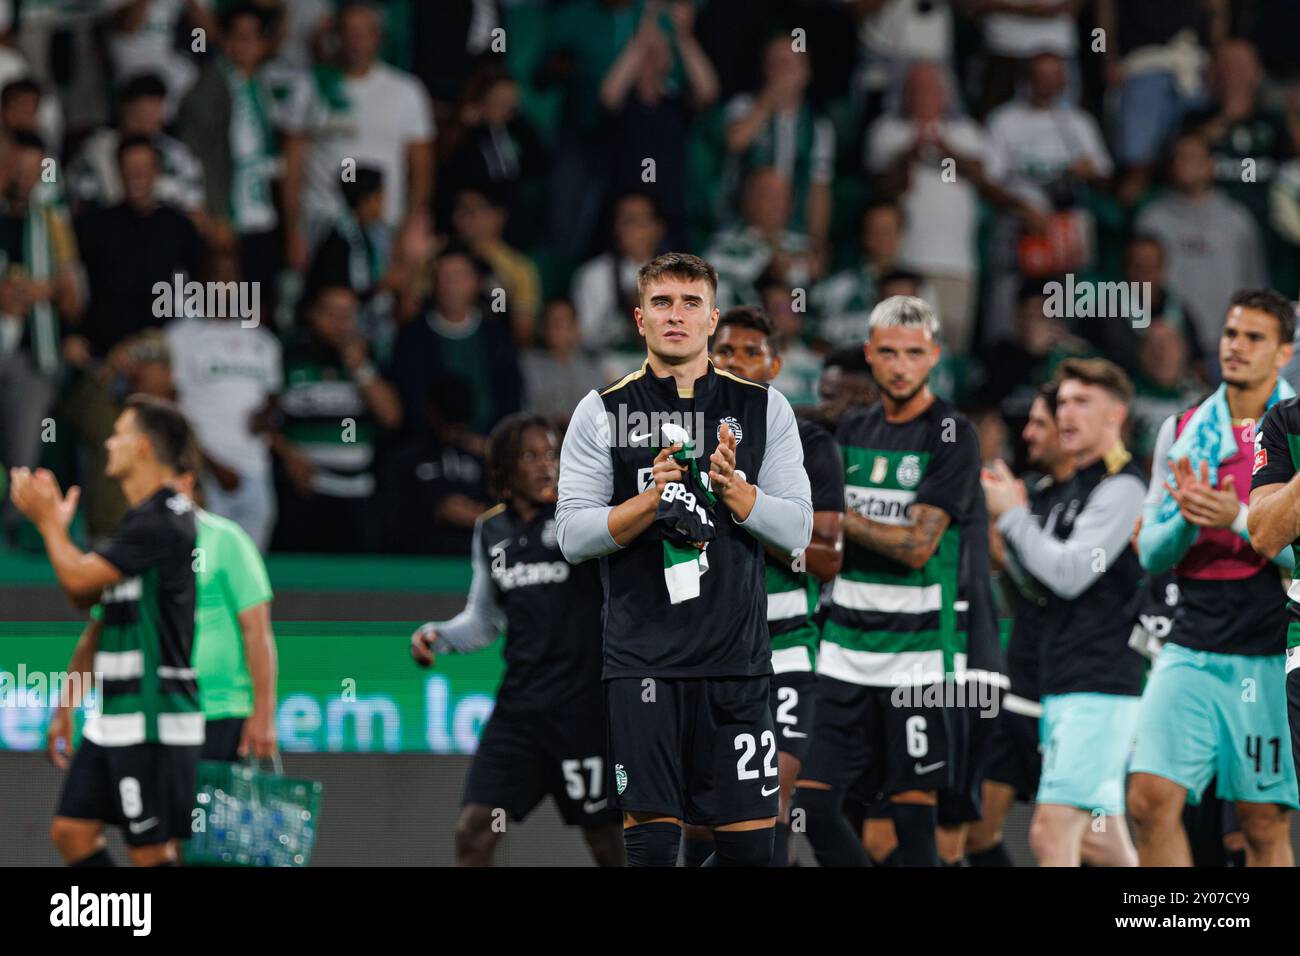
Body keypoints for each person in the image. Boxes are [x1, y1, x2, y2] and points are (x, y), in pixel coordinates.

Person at [556, 251, 813, 866]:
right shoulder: (602, 411)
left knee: (751, 856)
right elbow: (571, 535)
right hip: (643, 668)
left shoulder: (764, 408)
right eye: (663, 303)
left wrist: (736, 493)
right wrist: (649, 501)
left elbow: (798, 530)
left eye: (691, 303)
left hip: (737, 668)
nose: (676, 315)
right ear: (639, 317)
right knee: (651, 853)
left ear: (712, 319)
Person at [796, 295, 1001, 867]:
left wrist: (836, 518)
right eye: (888, 352)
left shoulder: (952, 433)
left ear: (934, 355)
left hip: (919, 656)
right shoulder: (852, 428)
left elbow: (916, 546)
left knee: (914, 823)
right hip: (842, 650)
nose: (900, 366)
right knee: (812, 805)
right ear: (870, 354)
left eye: (913, 353)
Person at [1129, 289, 1299, 866]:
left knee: (1261, 823)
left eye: (1254, 337)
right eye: (1230, 333)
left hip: (1268, 644)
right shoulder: (1182, 429)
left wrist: (1235, 517)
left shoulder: (1291, 429)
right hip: (1192, 638)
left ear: (1284, 353)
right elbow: (1152, 554)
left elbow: (1293, 554)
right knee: (1148, 800)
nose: (1236, 346)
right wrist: (1187, 520)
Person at [410, 413, 624, 866]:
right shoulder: (490, 530)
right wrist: (438, 636)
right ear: (505, 467)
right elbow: (484, 620)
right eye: (531, 456)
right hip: (520, 713)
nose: (547, 466)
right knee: (475, 830)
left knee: (608, 841)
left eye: (552, 454)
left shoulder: (580, 519)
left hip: (584, 711)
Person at [10, 395, 200, 866]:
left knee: (150, 853)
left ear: (141, 447)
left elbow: (77, 580)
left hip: (152, 719)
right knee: (72, 832)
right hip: (116, 716)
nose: (108, 443)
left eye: (118, 434)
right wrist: (68, 703)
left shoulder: (165, 518)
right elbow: (88, 601)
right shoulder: (138, 520)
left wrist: (48, 525)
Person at [982, 358, 1147, 866]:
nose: (1067, 414)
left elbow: (1071, 574)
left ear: (1116, 414)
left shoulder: (1123, 486)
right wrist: (1008, 530)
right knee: (1100, 839)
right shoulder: (1070, 487)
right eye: (1064, 403)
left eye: (1083, 402)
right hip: (1065, 677)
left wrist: (1012, 516)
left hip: (1100, 680)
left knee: (1051, 834)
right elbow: (1040, 588)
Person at [697, 305, 844, 866]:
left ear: (774, 365)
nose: (736, 361)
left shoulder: (809, 443)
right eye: (725, 350)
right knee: (701, 817)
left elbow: (827, 559)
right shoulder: (679, 434)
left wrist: (751, 511)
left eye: (750, 352)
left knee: (770, 803)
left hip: (784, 649)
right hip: (706, 650)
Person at [968, 384, 1072, 865]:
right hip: (1018, 685)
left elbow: (1057, 584)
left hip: (1072, 693)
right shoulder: (1036, 493)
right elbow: (1020, 583)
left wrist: (1009, 523)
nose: (1027, 433)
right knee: (978, 834)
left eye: (1039, 424)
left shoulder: (1101, 498)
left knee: (1081, 838)